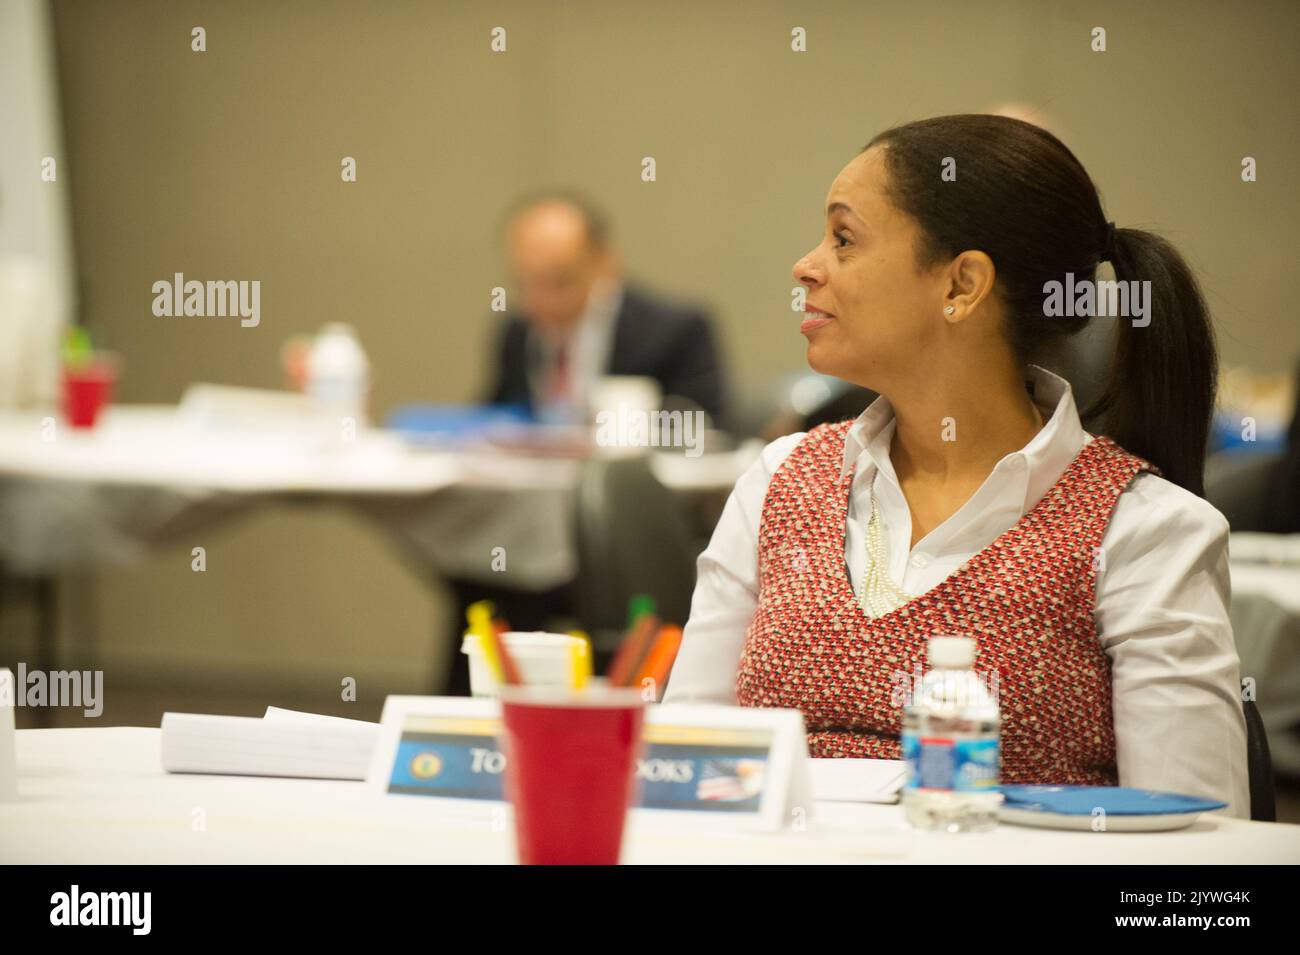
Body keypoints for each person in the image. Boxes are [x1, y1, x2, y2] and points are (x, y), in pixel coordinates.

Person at [663, 114, 1251, 818]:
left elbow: (1199, 862)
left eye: (844, 239)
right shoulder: (778, 480)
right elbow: (685, 771)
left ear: (961, 285)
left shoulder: (1144, 531)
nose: (806, 265)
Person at [486, 191, 726, 427]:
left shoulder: (676, 332)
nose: (538, 301)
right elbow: (491, 420)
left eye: (558, 282)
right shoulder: (517, 333)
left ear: (604, 263)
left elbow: (708, 434)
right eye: (524, 283)